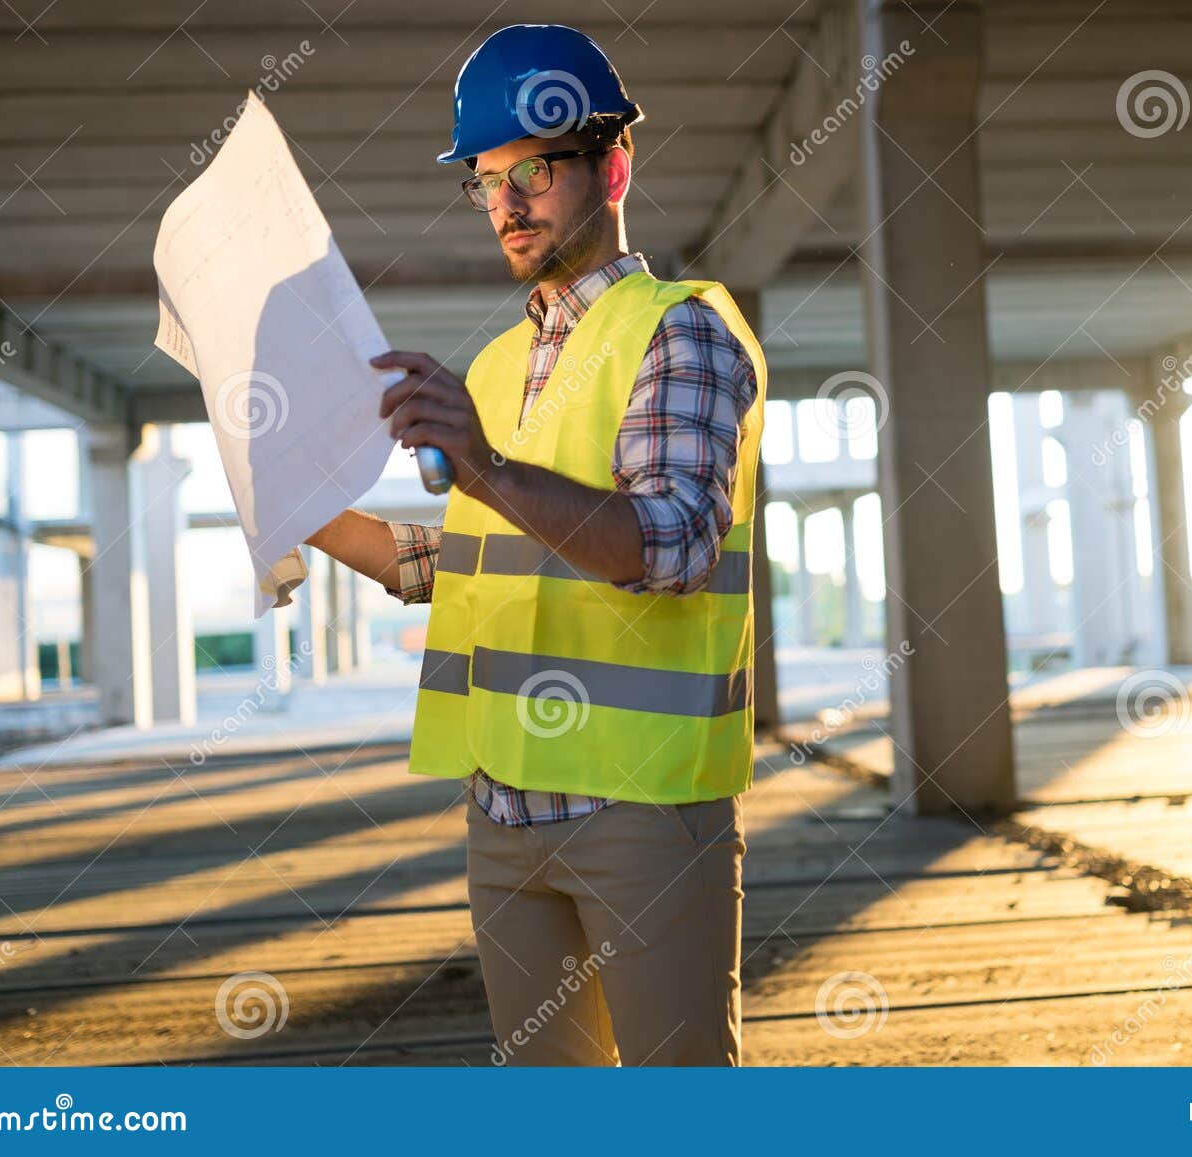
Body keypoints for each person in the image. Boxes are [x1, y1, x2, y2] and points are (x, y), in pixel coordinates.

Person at [305, 23, 766, 1066]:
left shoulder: (678, 332)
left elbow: (674, 542)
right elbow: (456, 561)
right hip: (504, 812)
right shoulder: (502, 361)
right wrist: (293, 508)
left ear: (612, 166)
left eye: (535, 171)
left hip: (642, 810)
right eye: (486, 179)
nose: (506, 205)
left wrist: (487, 466)